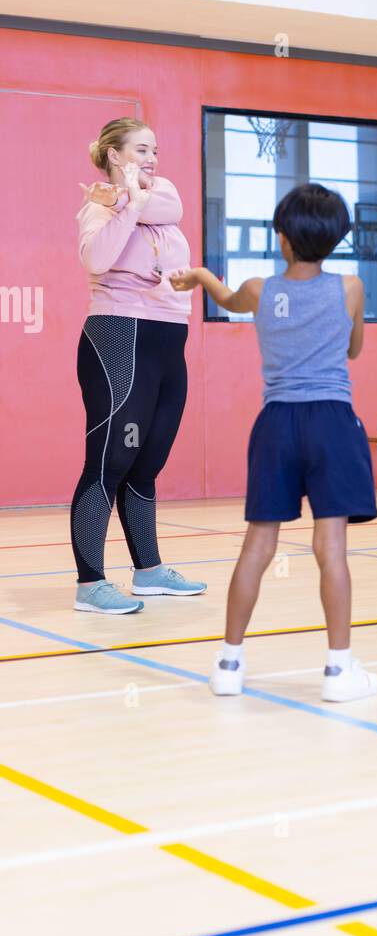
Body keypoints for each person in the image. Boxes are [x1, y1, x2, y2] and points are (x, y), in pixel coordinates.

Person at [170, 183, 377, 703]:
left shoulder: (260, 289)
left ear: (281, 238)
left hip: (277, 424)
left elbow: (222, 297)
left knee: (258, 545)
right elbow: (354, 349)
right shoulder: (350, 288)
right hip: (331, 421)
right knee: (330, 546)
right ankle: (337, 670)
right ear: (336, 240)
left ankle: (228, 663)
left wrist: (197, 275)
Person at [72, 118, 205, 614]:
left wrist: (130, 197)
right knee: (109, 462)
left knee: (148, 463)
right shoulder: (94, 209)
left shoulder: (159, 192)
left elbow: (173, 204)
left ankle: (148, 573)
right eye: (141, 151)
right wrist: (123, 203)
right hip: (119, 334)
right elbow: (99, 259)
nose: (151, 159)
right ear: (114, 154)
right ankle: (90, 584)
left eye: (155, 150)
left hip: (169, 338)